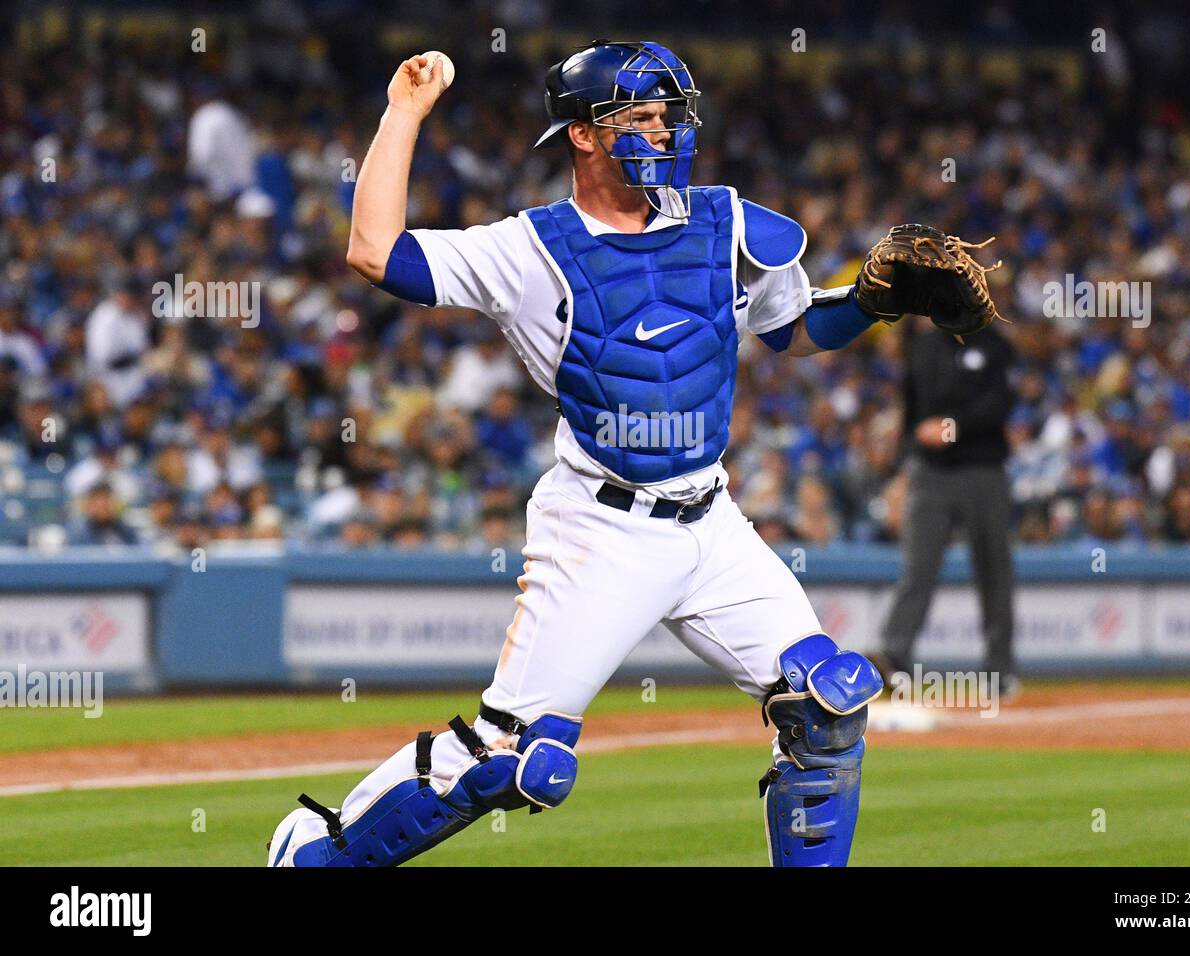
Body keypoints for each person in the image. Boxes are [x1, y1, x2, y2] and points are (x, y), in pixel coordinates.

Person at [266, 41, 989, 868]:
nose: (663, 132)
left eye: (669, 116)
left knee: (827, 705)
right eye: (639, 117)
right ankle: (319, 853)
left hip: (710, 520)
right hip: (599, 529)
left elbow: (792, 330)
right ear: (582, 134)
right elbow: (377, 252)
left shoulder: (728, 223)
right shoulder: (529, 248)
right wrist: (405, 113)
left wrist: (869, 303)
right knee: (514, 759)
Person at [878, 319, 1019, 694]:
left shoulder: (992, 344)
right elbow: (913, 412)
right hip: (930, 473)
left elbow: (999, 406)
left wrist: (951, 428)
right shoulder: (924, 346)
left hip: (983, 470)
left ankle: (999, 668)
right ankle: (895, 659)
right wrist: (904, 463)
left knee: (993, 569)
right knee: (917, 568)